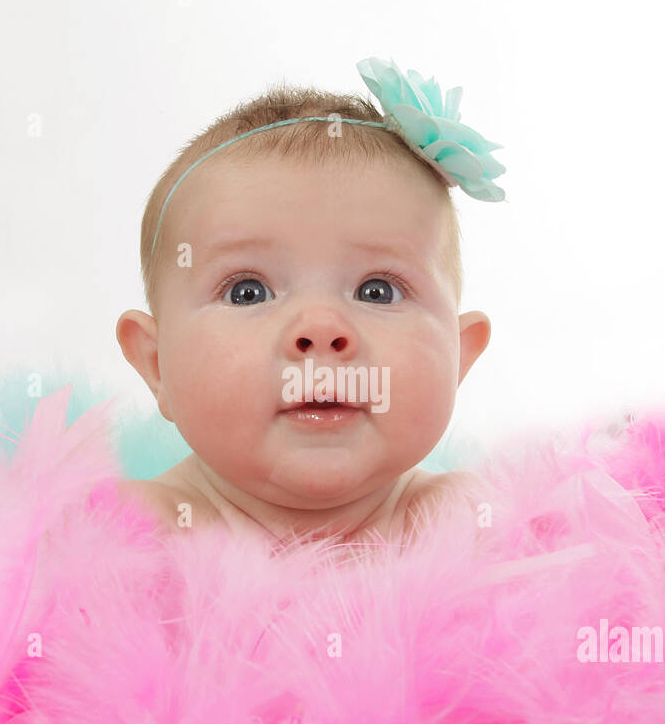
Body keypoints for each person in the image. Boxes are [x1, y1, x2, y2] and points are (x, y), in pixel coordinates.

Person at [116, 58, 504, 551]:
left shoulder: (480, 525)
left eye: (377, 290)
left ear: (460, 356)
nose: (320, 329)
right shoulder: (126, 537)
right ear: (156, 364)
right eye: (247, 291)